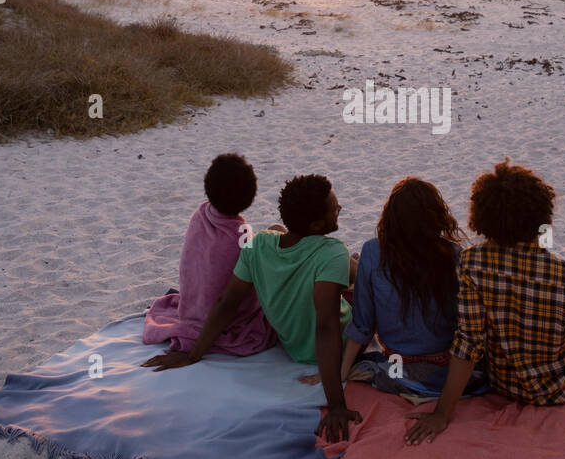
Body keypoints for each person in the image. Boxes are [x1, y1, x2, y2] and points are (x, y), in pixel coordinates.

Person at [142, 174, 361, 443]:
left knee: (275, 232)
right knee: (361, 270)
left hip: (293, 345)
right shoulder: (332, 251)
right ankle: (358, 267)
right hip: (336, 343)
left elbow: (227, 302)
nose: (340, 208)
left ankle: (352, 269)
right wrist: (336, 404)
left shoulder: (256, 244)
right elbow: (326, 327)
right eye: (335, 207)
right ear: (316, 224)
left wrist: (194, 353)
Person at [405, 159, 565, 445]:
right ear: (542, 218)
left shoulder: (471, 263)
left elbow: (469, 342)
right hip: (554, 389)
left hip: (501, 383)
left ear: (483, 217)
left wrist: (442, 414)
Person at [303, 177, 486, 401]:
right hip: (446, 365)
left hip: (397, 366)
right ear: (436, 216)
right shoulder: (454, 253)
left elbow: (362, 324)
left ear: (391, 218)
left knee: (356, 289)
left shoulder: (373, 251)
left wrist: (340, 373)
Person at [141, 153, 277, 356]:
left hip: (191, 311)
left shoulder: (200, 214)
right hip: (225, 323)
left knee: (272, 233)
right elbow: (229, 301)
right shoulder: (242, 238)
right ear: (250, 197)